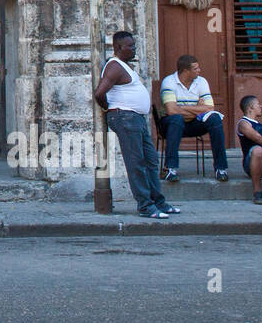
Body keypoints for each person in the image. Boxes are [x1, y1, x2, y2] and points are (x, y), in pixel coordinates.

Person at [93, 30, 179, 219]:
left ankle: (159, 202)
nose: (133, 49)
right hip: (125, 117)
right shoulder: (114, 67)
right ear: (118, 47)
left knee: (150, 161)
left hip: (136, 118)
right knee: (136, 163)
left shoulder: (125, 66)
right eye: (129, 46)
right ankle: (145, 205)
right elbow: (100, 93)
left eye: (133, 45)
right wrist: (110, 109)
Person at [158, 54, 229, 182]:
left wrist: (182, 109)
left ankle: (221, 168)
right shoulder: (169, 82)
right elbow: (171, 110)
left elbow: (209, 108)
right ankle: (171, 169)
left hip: (193, 124)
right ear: (186, 71)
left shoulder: (201, 82)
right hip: (170, 125)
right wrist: (197, 109)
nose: (199, 71)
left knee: (214, 118)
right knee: (176, 119)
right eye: (195, 69)